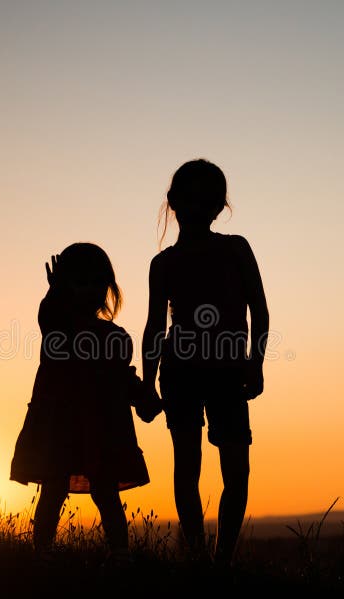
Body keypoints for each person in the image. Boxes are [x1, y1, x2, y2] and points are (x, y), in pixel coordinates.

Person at [139, 159, 269, 566]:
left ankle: (222, 559)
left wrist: (256, 362)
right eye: (192, 198)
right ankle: (198, 558)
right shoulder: (163, 264)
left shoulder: (236, 249)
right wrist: (147, 382)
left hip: (228, 371)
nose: (199, 207)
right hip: (181, 373)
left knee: (235, 469)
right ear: (175, 202)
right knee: (187, 467)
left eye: (207, 199)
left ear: (218, 206)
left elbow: (260, 311)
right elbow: (153, 328)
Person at [10, 242, 158, 565]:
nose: (88, 290)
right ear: (65, 286)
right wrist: (54, 293)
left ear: (106, 288)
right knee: (54, 486)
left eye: (96, 283)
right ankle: (42, 550)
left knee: (105, 490)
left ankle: (120, 552)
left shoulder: (113, 337)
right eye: (79, 282)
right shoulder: (57, 329)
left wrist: (143, 396)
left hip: (100, 429)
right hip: (60, 427)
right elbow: (47, 314)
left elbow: (122, 377)